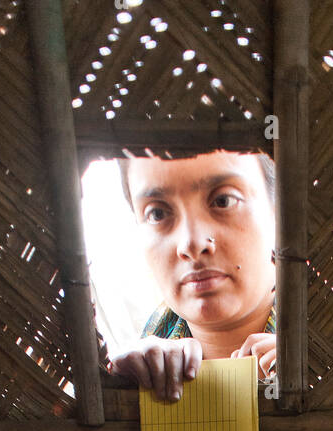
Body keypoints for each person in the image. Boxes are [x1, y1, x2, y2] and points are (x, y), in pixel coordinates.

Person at [110, 148, 276, 402]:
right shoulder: (130, 377)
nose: (191, 243)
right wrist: (117, 390)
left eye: (223, 200)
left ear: (279, 212)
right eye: (158, 213)